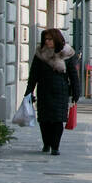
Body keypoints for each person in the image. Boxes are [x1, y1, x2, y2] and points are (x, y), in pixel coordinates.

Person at [24, 28, 81, 156]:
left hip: (61, 91)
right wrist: (29, 91)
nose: (47, 41)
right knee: (44, 120)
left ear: (56, 39)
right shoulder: (40, 54)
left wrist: (76, 92)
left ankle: (55, 146)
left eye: (50, 39)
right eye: (45, 39)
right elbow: (34, 74)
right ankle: (46, 143)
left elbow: (73, 74)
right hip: (44, 90)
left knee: (58, 119)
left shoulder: (67, 53)